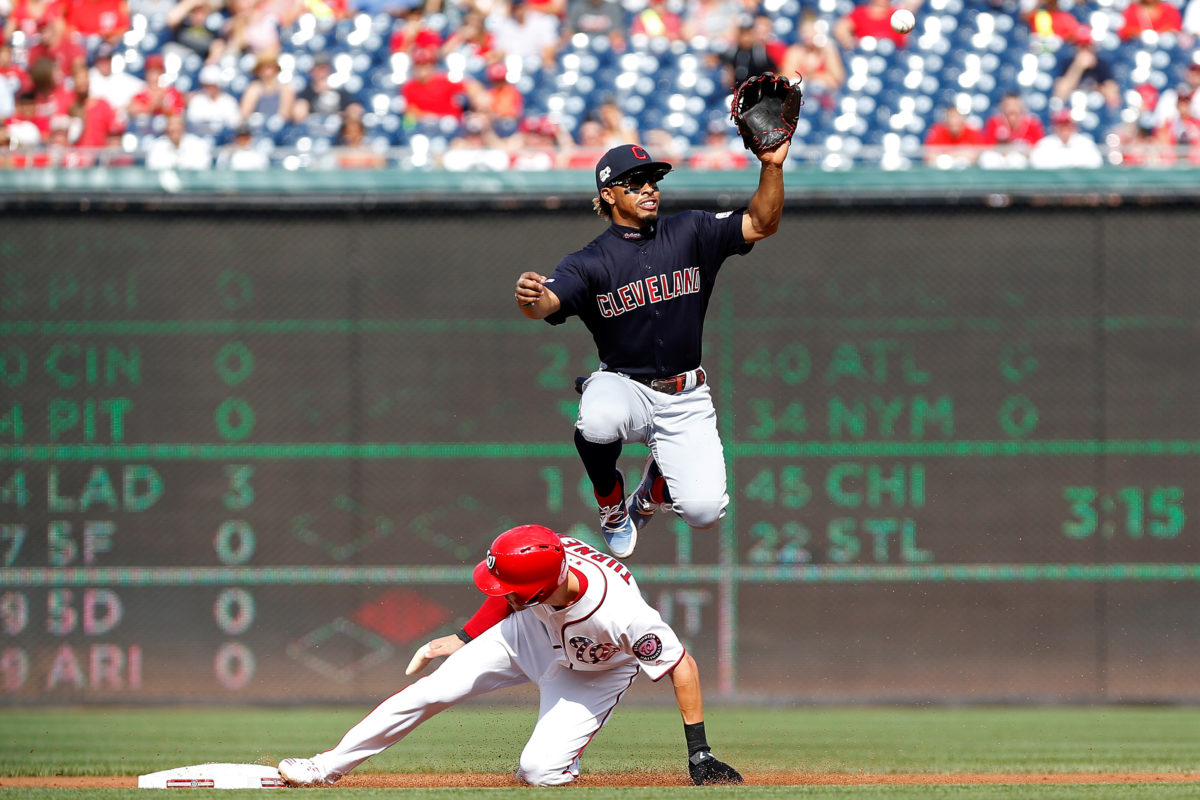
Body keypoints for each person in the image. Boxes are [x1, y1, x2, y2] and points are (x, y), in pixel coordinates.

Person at [276, 525, 742, 787]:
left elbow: (682, 664)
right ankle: (325, 766)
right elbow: (511, 592)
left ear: (541, 586)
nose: (500, 592)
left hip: (595, 670)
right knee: (433, 689)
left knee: (539, 772)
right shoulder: (542, 556)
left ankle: (562, 764)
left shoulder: (623, 614)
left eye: (512, 589)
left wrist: (699, 753)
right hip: (530, 633)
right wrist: (465, 636)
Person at [513, 138, 790, 558]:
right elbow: (547, 304)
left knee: (704, 512)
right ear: (608, 195)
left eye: (653, 180)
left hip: (686, 396)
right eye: (634, 182)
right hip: (626, 385)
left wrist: (771, 165)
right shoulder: (588, 262)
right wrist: (531, 299)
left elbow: (762, 222)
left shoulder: (691, 230)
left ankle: (651, 491)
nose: (648, 189)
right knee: (598, 420)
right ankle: (611, 506)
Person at [1029, 108, 1103, 167]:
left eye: (1067, 125)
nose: (1065, 130)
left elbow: (1096, 162)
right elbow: (1036, 162)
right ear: (1055, 127)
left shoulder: (1085, 143)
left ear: (1074, 127)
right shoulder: (1045, 144)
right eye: (1061, 125)